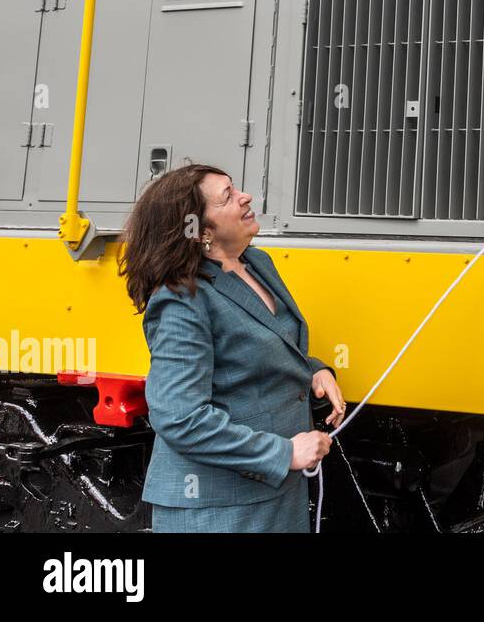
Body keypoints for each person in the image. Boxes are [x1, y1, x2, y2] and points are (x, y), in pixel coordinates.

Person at [120, 163, 345, 532]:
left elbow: (259, 344)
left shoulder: (257, 263)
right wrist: (284, 453)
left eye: (235, 187)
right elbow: (180, 418)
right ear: (202, 230)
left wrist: (313, 370)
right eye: (228, 196)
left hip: (273, 494)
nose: (245, 196)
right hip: (219, 508)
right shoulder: (181, 300)